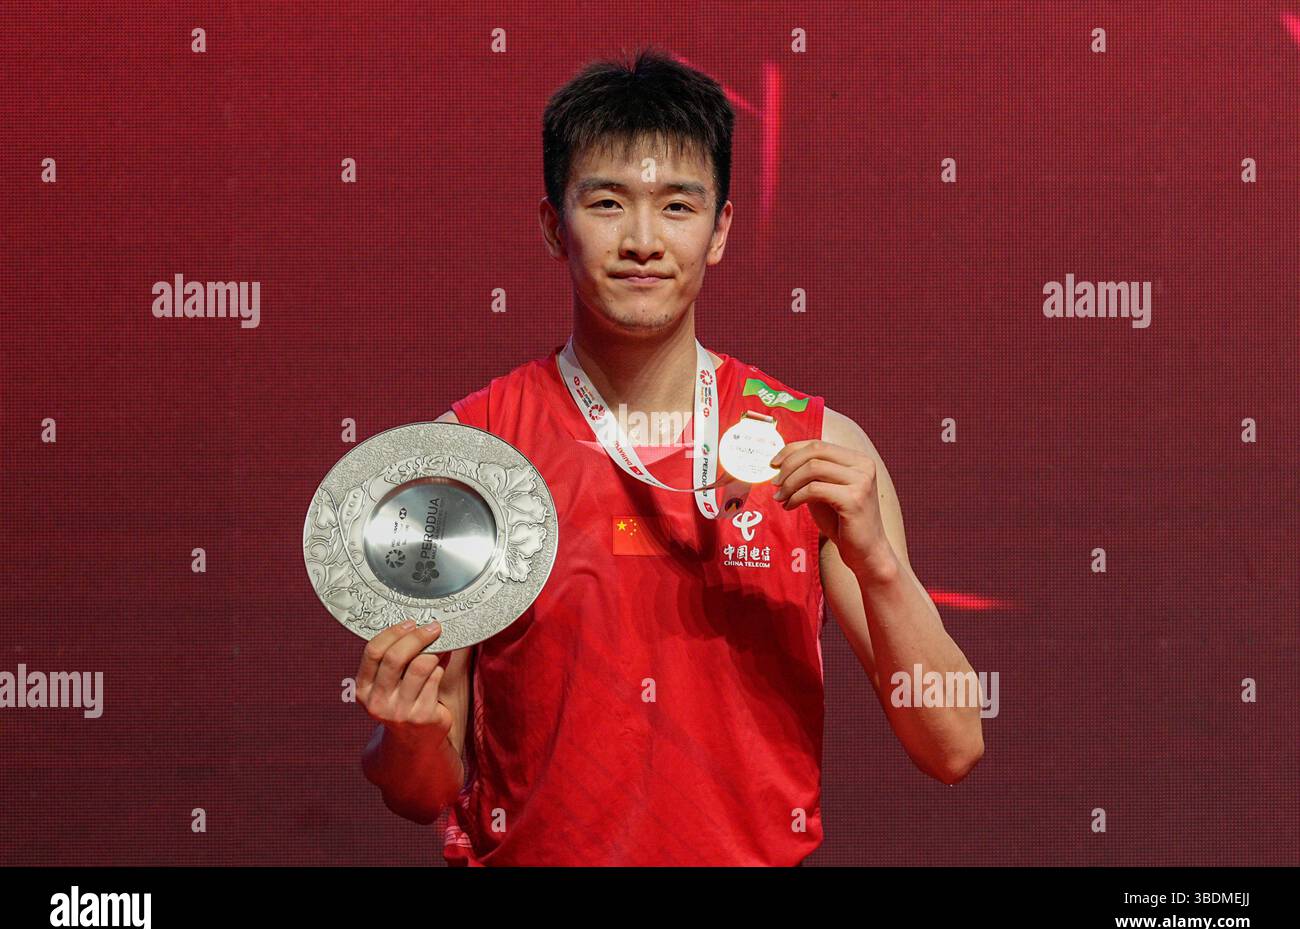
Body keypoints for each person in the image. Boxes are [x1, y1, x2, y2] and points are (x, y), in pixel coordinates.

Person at [355, 46, 983, 866]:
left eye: (678, 207)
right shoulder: (476, 453)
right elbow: (421, 789)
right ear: (554, 224)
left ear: (720, 229)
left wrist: (880, 568)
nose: (644, 241)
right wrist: (406, 737)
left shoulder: (818, 446)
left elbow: (954, 746)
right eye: (608, 203)